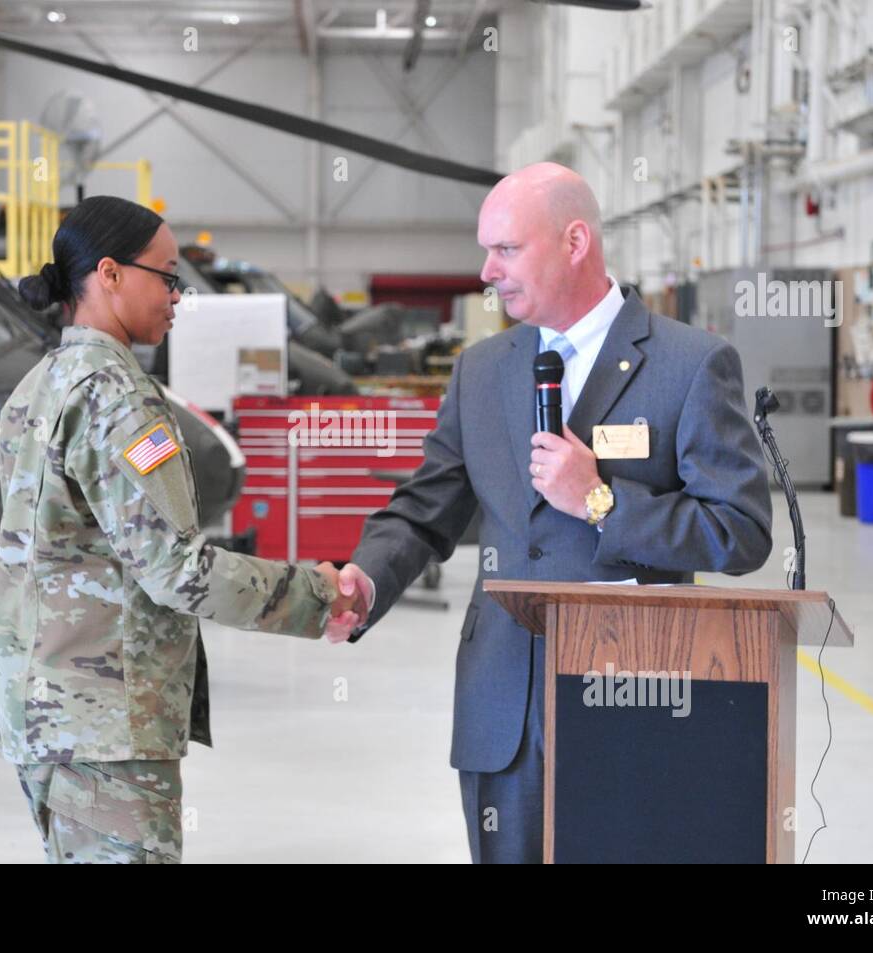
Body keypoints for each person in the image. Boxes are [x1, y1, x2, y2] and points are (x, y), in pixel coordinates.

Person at [328, 162, 774, 863]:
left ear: (574, 242)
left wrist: (601, 501)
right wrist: (368, 577)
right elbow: (426, 509)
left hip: (634, 693)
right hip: (502, 705)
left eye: (505, 249)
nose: (486, 271)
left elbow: (740, 531)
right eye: (486, 251)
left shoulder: (691, 363)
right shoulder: (481, 369)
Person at [0, 195, 361, 864]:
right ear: (110, 274)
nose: (177, 295)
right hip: (107, 729)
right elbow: (178, 570)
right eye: (166, 276)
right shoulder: (119, 398)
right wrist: (316, 595)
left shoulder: (39, 386)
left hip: (42, 712)